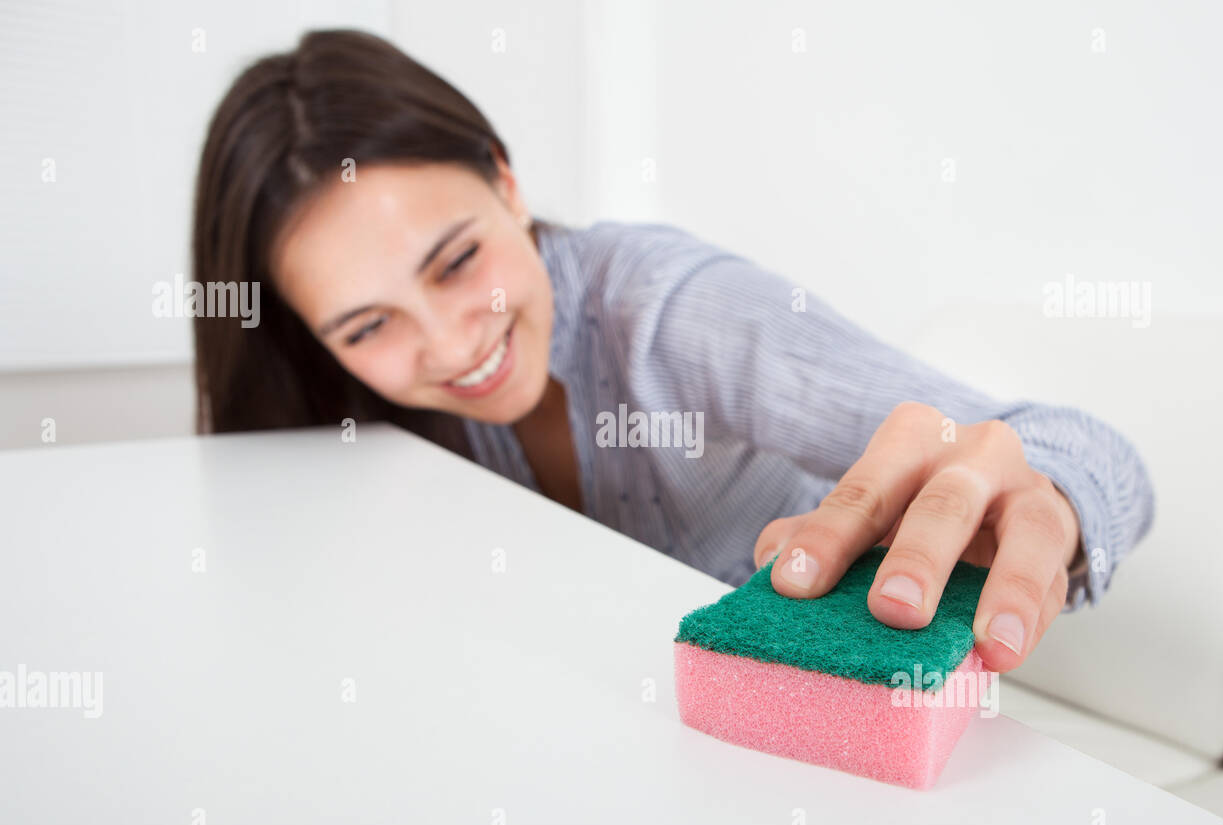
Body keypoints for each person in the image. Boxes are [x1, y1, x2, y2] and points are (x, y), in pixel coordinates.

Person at [191, 29, 1155, 673]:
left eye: (455, 262)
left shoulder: (672, 311)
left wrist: (1052, 498)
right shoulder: (353, 421)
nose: (450, 345)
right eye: (368, 327)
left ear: (506, 182)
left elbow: (1078, 444)